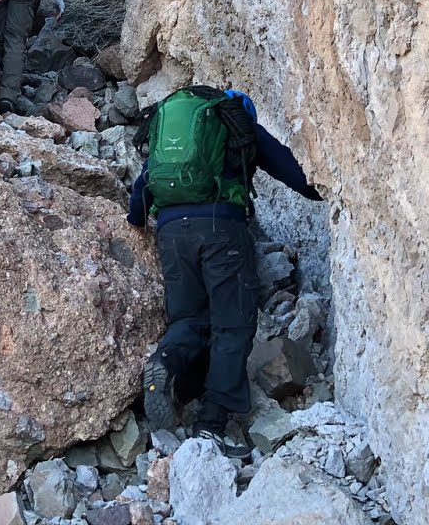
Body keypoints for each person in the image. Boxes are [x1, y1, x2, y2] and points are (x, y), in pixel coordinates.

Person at [127, 86, 323, 458]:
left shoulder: (177, 137)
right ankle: (211, 423)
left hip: (171, 231)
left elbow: (143, 190)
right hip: (221, 228)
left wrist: (137, 217)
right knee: (231, 324)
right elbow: (294, 174)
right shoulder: (237, 122)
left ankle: (164, 363)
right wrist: (330, 189)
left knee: (188, 318)